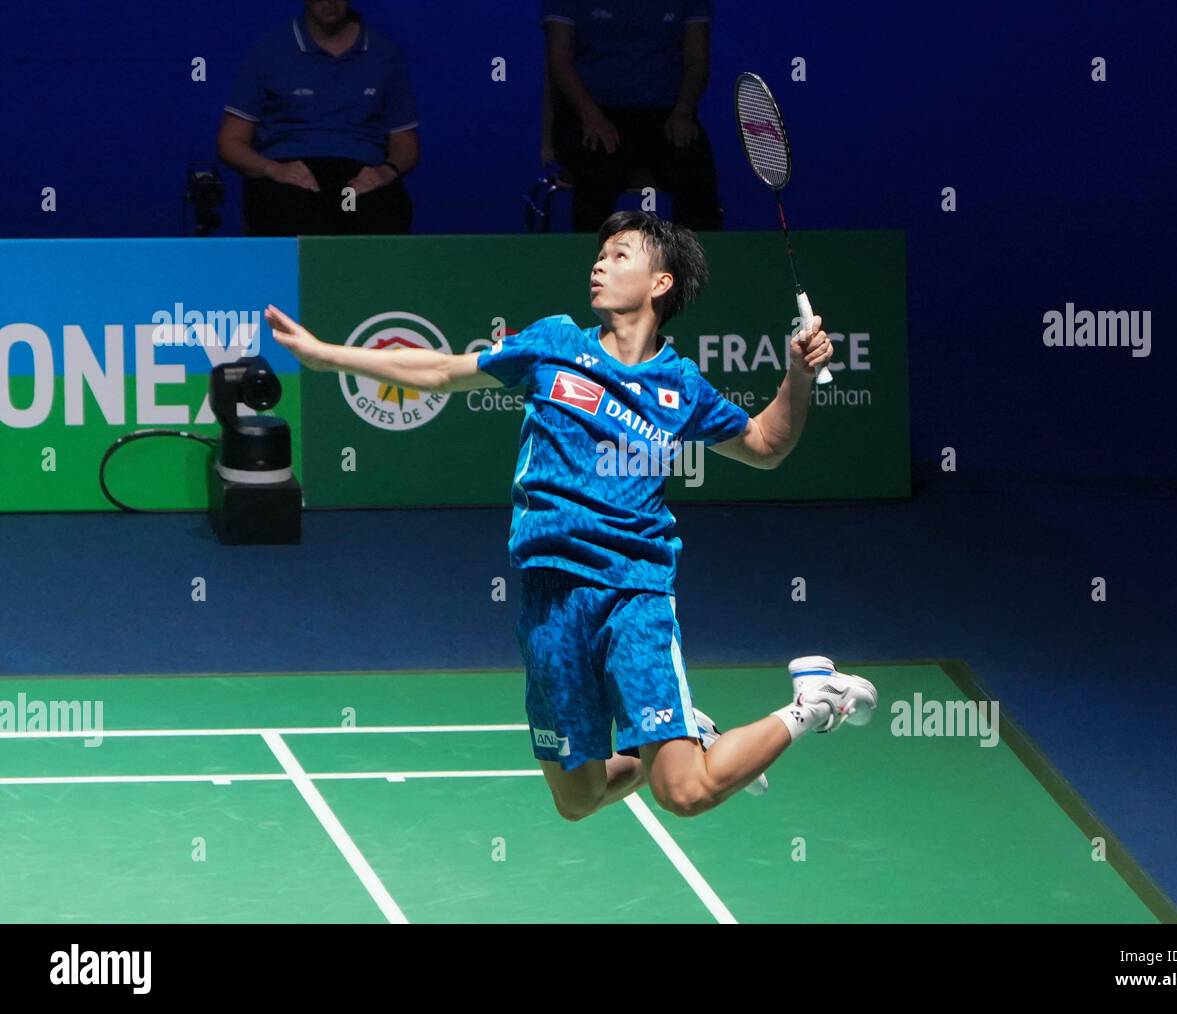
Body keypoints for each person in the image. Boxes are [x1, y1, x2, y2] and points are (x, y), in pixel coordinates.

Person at [266, 210, 876, 821]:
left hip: (633, 590)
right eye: (600, 254)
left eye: (619, 255)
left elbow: (767, 445)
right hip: (548, 598)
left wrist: (799, 375)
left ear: (661, 283)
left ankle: (812, 702)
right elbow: (442, 370)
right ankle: (685, 732)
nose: (599, 264)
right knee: (578, 798)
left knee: (684, 794)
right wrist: (327, 356)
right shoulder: (555, 343)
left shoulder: (680, 386)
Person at [217, 0, 419, 236]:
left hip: (360, 179)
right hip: (290, 174)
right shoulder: (268, 50)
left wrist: (383, 173)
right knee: (303, 221)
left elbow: (406, 144)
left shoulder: (384, 53)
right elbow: (230, 142)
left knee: (379, 216)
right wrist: (274, 170)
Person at [541, 1, 725, 232]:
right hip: (589, 111)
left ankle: (691, 264)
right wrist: (591, 116)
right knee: (597, 173)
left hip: (665, 113)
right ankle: (594, 262)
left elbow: (697, 61)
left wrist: (684, 110)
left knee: (695, 174)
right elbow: (559, 60)